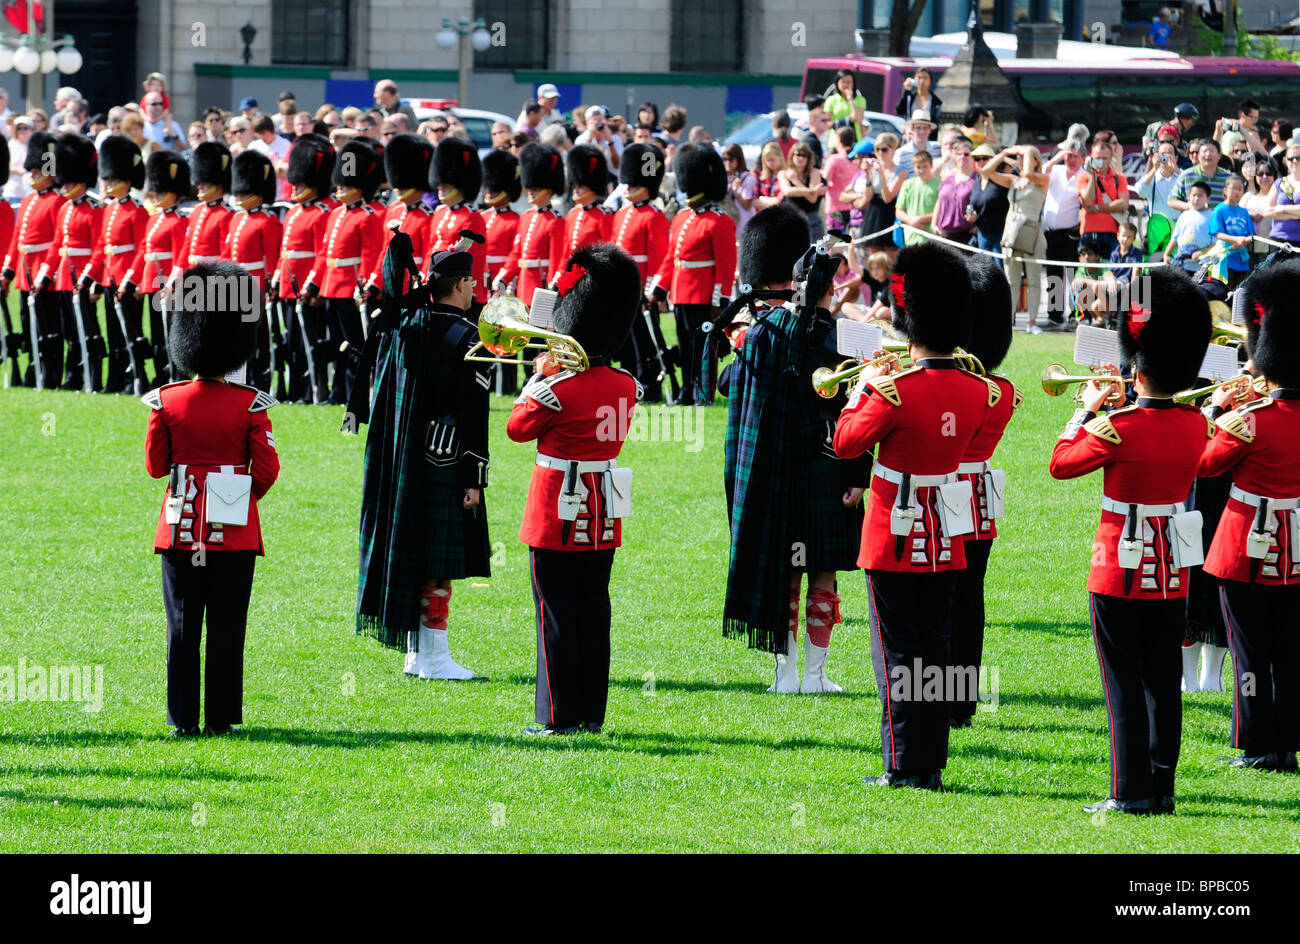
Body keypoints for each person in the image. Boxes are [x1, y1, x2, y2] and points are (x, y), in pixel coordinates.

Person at [1049, 268, 1213, 815]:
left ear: (1136, 362)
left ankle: (1129, 791)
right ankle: (1162, 786)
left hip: (1118, 565)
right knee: (1164, 680)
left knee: (1123, 683)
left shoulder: (1117, 426)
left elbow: (1059, 464)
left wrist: (1087, 406)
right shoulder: (1195, 424)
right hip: (1171, 567)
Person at [833, 241, 992, 791]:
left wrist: (862, 391)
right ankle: (933, 761)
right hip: (947, 524)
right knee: (937, 642)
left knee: (897, 648)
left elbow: (847, 443)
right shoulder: (979, 390)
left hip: (894, 526)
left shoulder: (893, 389)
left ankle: (904, 764)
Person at [718, 211, 866, 693]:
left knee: (787, 574)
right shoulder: (846, 337)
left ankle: (783, 675)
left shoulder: (762, 332)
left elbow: (726, 383)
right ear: (829, 290)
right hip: (830, 468)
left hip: (777, 470)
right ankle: (816, 676)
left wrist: (739, 337)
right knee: (823, 572)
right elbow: (861, 409)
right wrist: (859, 474)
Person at [507, 245, 642, 735]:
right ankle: (589, 714)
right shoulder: (626, 385)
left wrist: (539, 376)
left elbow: (517, 428)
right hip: (604, 503)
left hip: (556, 503)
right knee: (593, 607)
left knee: (555, 611)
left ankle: (557, 717)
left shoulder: (558, 389)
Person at [143, 261, 280, 737]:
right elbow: (266, 471)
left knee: (181, 624)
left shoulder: (167, 400)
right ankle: (221, 719)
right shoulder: (249, 404)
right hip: (234, 527)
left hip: (180, 520)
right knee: (227, 626)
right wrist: (236, 495)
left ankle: (183, 719)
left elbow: (156, 467)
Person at [353, 236, 492, 680]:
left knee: (411, 552)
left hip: (402, 460)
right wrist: (475, 476)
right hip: (447, 460)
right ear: (460, 284)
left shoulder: (406, 324)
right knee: (438, 562)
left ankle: (416, 652)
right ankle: (434, 658)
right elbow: (474, 416)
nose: (476, 289)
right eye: (472, 281)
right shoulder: (470, 337)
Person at [1198, 260, 1300, 771]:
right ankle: (1287, 744)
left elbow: (1201, 463)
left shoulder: (1248, 420)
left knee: (1251, 654)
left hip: (1246, 547)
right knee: (1290, 649)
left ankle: (1259, 745)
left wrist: (1216, 409)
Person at [950, 256, 1021, 727]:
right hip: (979, 499)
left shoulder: (957, 389)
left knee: (943, 599)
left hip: (943, 496)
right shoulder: (1001, 390)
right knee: (969, 598)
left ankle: (942, 701)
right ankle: (961, 701)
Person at [647, 143, 736, 405]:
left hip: (702, 294)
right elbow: (671, 258)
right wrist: (658, 289)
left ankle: (703, 391)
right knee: (685, 346)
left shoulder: (720, 220)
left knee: (703, 348)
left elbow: (726, 266)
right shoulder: (682, 216)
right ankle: (688, 389)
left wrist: (719, 301)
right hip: (681, 292)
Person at [302, 139, 385, 405]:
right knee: (336, 343)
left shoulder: (368, 216)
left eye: (346, 185)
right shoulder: (335, 215)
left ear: (360, 187)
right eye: (339, 184)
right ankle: (338, 392)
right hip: (331, 285)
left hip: (352, 287)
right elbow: (324, 254)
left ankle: (355, 394)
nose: (340, 189)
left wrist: (370, 285)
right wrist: (313, 283)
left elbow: (372, 255)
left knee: (354, 345)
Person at [270, 134, 334, 404]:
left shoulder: (322, 212)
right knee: (291, 342)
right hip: (287, 284)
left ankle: (313, 390)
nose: (293, 187)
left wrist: (311, 285)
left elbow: (322, 254)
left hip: (307, 288)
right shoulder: (294, 212)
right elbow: (284, 252)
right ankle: (293, 389)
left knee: (312, 342)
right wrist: (276, 280)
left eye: (300, 182)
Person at [1, 132, 64, 389]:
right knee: (27, 325)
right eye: (33, 170)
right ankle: (32, 366)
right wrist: (7, 271)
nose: (34, 175)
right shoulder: (27, 201)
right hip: (26, 271)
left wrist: (45, 272)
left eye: (39, 171)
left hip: (43, 272)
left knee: (48, 325)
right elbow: (17, 241)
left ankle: (50, 372)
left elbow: (57, 243)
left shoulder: (57, 201)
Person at [42, 135, 104, 392]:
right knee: (70, 332)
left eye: (68, 182)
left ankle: (94, 374)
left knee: (88, 330)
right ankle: (73, 375)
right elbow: (57, 245)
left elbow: (99, 248)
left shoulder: (94, 209)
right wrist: (46, 274)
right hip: (65, 279)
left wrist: (89, 279)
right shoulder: (65, 209)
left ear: (81, 181)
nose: (63, 187)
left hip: (82, 278)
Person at [91, 135, 151, 395]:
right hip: (109, 275)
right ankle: (114, 379)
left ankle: (133, 378)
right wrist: (92, 276)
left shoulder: (137, 211)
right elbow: (102, 246)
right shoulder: (110, 210)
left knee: (131, 330)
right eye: (108, 180)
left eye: (114, 181)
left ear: (127, 182)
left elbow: (141, 249)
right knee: (113, 332)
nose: (109, 184)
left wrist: (132, 279)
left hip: (127, 277)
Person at [611, 142, 670, 402]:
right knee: (624, 342)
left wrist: (651, 289)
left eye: (634, 184)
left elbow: (658, 257)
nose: (629, 187)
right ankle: (626, 381)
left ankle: (648, 385)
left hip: (641, 290)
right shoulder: (621, 214)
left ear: (646, 185)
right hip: (621, 287)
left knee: (644, 342)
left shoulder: (654, 216)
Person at [223, 149, 283, 393]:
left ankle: (261, 384)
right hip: (236, 287)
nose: (240, 195)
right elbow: (227, 255)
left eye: (245, 191)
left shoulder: (268, 221)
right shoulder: (237, 219)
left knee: (260, 342)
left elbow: (271, 259)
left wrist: (268, 288)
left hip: (256, 287)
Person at [136, 151, 191, 385]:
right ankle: (160, 373)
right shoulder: (153, 218)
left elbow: (181, 255)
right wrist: (136, 279)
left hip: (168, 282)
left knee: (171, 330)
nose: (156, 194)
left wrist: (173, 283)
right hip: (151, 280)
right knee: (156, 332)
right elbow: (143, 251)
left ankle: (175, 375)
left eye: (161, 189)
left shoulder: (179, 221)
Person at [492, 142, 566, 306]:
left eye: (536, 187)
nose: (530, 191)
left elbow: (557, 260)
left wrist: (553, 287)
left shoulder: (555, 221)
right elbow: (516, 254)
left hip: (542, 288)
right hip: (522, 286)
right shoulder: (526, 217)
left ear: (548, 188)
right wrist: (504, 278)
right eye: (530, 187)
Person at [426, 137, 487, 317]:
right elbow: (430, 250)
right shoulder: (439, 212)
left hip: (457, 293)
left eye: (446, 185)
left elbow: (473, 261)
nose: (440, 188)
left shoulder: (472, 217)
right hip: (436, 288)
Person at [1041, 140, 1085, 330]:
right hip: (1051, 233)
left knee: (1074, 276)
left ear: (1083, 157)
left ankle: (1077, 315)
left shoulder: (1085, 175)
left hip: (1073, 233)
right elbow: (1043, 171)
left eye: (1075, 155)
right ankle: (1055, 316)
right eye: (1068, 155)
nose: (1071, 159)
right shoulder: (1056, 171)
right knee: (1053, 276)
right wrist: (1060, 155)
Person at [556, 145, 613, 271]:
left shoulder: (603, 216)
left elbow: (608, 254)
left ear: (592, 186)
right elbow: (566, 251)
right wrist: (559, 276)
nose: (575, 190)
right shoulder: (572, 214)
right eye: (574, 185)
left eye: (580, 186)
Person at [1076, 137, 1128, 260]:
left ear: (1111, 159)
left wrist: (1096, 208)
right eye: (1098, 158)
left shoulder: (1119, 178)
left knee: (1111, 274)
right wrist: (1092, 176)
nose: (1101, 162)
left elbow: (1123, 203)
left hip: (1113, 233)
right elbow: (1087, 202)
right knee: (1087, 274)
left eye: (1105, 158)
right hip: (1089, 232)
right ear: (1091, 157)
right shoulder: (1083, 178)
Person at [1207, 174, 1255, 291]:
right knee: (1225, 292)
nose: (1237, 191)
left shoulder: (1244, 212)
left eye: (1240, 188)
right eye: (1234, 188)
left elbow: (1250, 234)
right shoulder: (1219, 210)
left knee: (1239, 292)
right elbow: (1218, 234)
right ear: (1225, 190)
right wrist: (1236, 240)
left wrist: (1245, 241)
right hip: (1226, 258)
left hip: (1242, 259)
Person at [931, 136, 977, 243]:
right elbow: (939, 202)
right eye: (959, 154)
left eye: (966, 154)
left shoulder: (977, 180)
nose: (962, 157)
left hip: (966, 235)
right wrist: (934, 224)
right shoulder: (948, 177)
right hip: (943, 234)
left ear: (973, 157)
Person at [969, 143, 1009, 264]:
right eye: (977, 159)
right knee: (984, 273)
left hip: (1001, 235)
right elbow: (973, 203)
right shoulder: (977, 180)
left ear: (993, 160)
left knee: (1001, 272)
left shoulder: (1002, 178)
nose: (981, 161)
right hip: (983, 234)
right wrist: (971, 214)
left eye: (985, 158)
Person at [1136, 140, 1182, 245]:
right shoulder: (1152, 177)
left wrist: (1176, 170)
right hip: (1158, 228)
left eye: (1169, 153)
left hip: (1179, 227)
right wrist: (1153, 169)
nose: (1165, 156)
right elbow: (1140, 191)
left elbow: (1192, 189)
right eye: (1162, 154)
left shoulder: (1182, 176)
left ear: (1176, 157)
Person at [779, 141, 826, 240]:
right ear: (792, 156)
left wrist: (795, 181)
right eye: (798, 155)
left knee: (815, 253)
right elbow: (787, 191)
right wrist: (812, 190)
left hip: (811, 219)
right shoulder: (783, 173)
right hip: (791, 219)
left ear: (808, 158)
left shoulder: (814, 172)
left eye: (804, 155)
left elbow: (812, 199)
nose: (800, 158)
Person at [1168, 138, 1230, 212]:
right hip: (1194, 222)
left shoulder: (1228, 177)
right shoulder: (1187, 175)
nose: (1208, 154)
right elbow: (1171, 200)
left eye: (1211, 151)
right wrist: (1188, 206)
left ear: (1219, 155)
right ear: (1198, 155)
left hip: (1219, 222)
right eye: (1205, 151)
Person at [894, 148, 940, 247]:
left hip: (932, 238)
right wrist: (911, 221)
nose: (922, 170)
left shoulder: (940, 185)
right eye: (918, 167)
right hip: (911, 237)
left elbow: (941, 212)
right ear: (914, 168)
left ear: (931, 166)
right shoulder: (907, 184)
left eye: (925, 167)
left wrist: (920, 219)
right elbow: (899, 211)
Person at [1165, 180, 1214, 272]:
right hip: (1181, 264)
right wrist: (1167, 254)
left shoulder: (1212, 217)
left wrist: (1203, 253)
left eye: (1200, 196)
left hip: (1201, 267)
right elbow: (1175, 238)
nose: (1196, 199)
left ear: (1208, 198)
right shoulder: (1184, 215)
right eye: (1194, 195)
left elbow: (1215, 243)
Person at [1261, 140, 1300, 248]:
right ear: (1286, 162)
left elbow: (1274, 210)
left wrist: (1281, 209)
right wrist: (1297, 214)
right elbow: (1267, 211)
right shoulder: (1279, 183)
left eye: (1298, 158)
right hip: (1278, 240)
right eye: (1291, 159)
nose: (1294, 161)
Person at [248, 115, 292, 202]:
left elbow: (287, 170)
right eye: (262, 133)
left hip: (280, 195)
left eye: (268, 131)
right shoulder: (254, 146)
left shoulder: (285, 144)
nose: (266, 135)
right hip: (260, 195)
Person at [823, 127, 859, 233]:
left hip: (835, 208)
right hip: (854, 207)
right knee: (850, 242)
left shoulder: (834, 159)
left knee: (832, 243)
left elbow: (825, 179)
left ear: (838, 139)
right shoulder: (857, 159)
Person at [722, 143, 758, 236]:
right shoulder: (723, 177)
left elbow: (747, 206)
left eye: (731, 159)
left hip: (744, 226)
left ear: (738, 159)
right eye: (725, 159)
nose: (728, 163)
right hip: (728, 223)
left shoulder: (748, 178)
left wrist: (736, 192)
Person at [824, 69, 868, 142]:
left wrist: (851, 100)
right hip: (836, 141)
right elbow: (827, 123)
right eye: (843, 82)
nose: (846, 85)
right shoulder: (831, 100)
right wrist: (844, 121)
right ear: (837, 83)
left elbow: (858, 118)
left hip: (854, 140)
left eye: (849, 82)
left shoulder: (860, 100)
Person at [895, 110, 941, 177]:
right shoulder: (901, 153)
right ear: (912, 129)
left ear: (930, 130)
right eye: (918, 128)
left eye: (925, 128)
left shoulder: (937, 148)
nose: (922, 131)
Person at [4, 115, 31, 201]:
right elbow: (4, 166)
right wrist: (17, 170)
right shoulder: (10, 145)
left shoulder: (35, 146)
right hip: (13, 191)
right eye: (19, 128)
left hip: (30, 191)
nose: (22, 131)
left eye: (25, 128)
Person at [754, 140, 785, 211]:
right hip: (766, 217)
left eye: (772, 159)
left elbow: (781, 201)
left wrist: (763, 198)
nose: (770, 163)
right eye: (767, 160)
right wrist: (773, 201)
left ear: (780, 156)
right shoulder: (761, 176)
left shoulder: (787, 175)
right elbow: (753, 201)